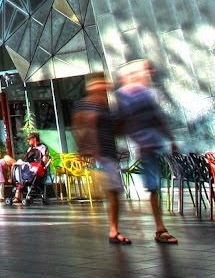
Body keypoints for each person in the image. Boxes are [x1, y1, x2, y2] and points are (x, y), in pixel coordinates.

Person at [117, 60, 179, 245]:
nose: (145, 74)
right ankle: (160, 227)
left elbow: (156, 118)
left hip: (152, 145)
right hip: (145, 146)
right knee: (153, 187)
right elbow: (124, 120)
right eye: (139, 71)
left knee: (155, 187)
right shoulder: (126, 94)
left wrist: (170, 138)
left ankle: (160, 227)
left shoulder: (145, 93)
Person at [75, 72, 129, 244]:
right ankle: (113, 230)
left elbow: (116, 129)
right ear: (90, 86)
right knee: (112, 191)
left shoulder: (107, 106)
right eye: (99, 83)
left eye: (104, 83)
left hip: (109, 152)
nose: (102, 86)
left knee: (114, 192)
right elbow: (78, 127)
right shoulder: (84, 105)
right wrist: (84, 149)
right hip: (99, 155)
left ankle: (114, 229)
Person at [15, 133, 50, 204]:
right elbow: (25, 159)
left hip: (37, 169)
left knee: (22, 175)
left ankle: (18, 196)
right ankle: (18, 195)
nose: (28, 141)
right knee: (19, 169)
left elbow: (44, 159)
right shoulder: (30, 149)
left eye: (29, 139)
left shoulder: (43, 147)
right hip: (28, 168)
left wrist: (42, 167)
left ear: (34, 139)